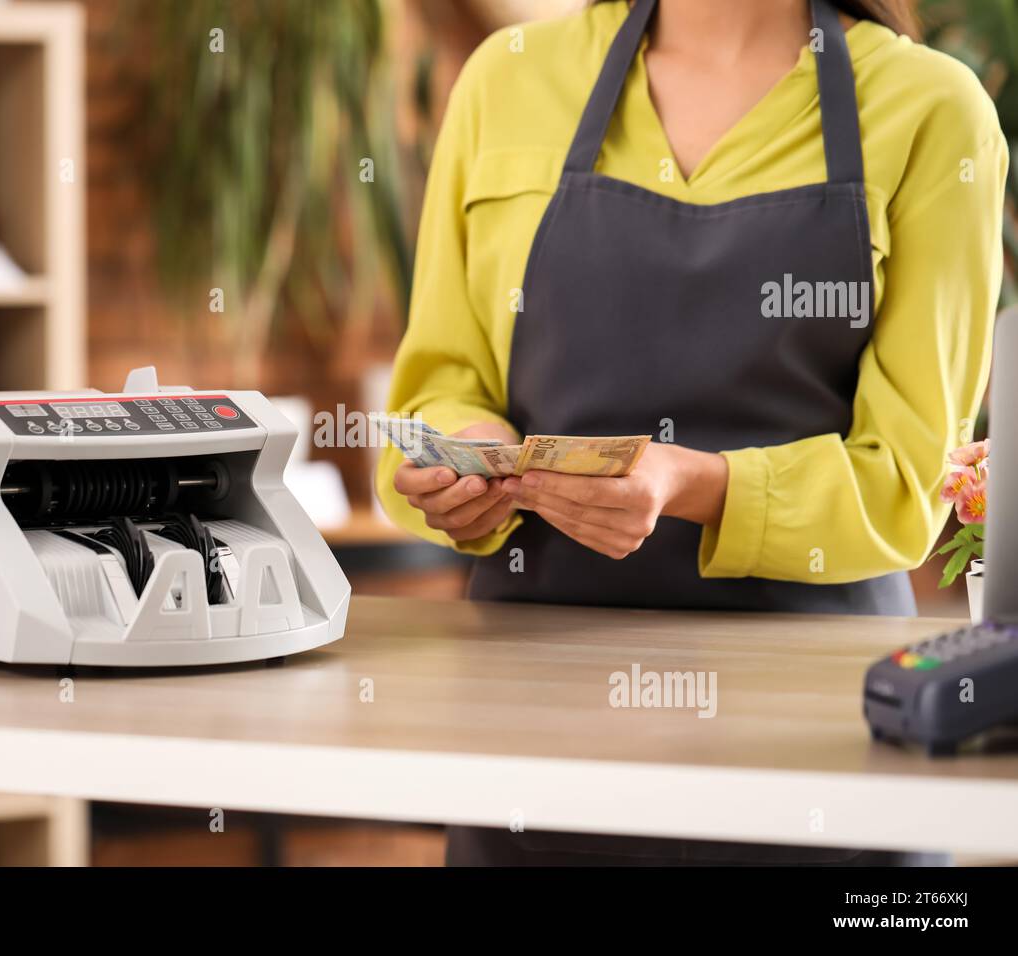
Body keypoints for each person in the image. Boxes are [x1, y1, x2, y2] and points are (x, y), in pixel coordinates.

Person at [376, 0, 1006, 865]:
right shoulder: (508, 77)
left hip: (816, 748)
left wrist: (696, 488)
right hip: (534, 737)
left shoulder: (932, 108)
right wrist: (464, 461)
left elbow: (906, 480)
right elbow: (436, 387)